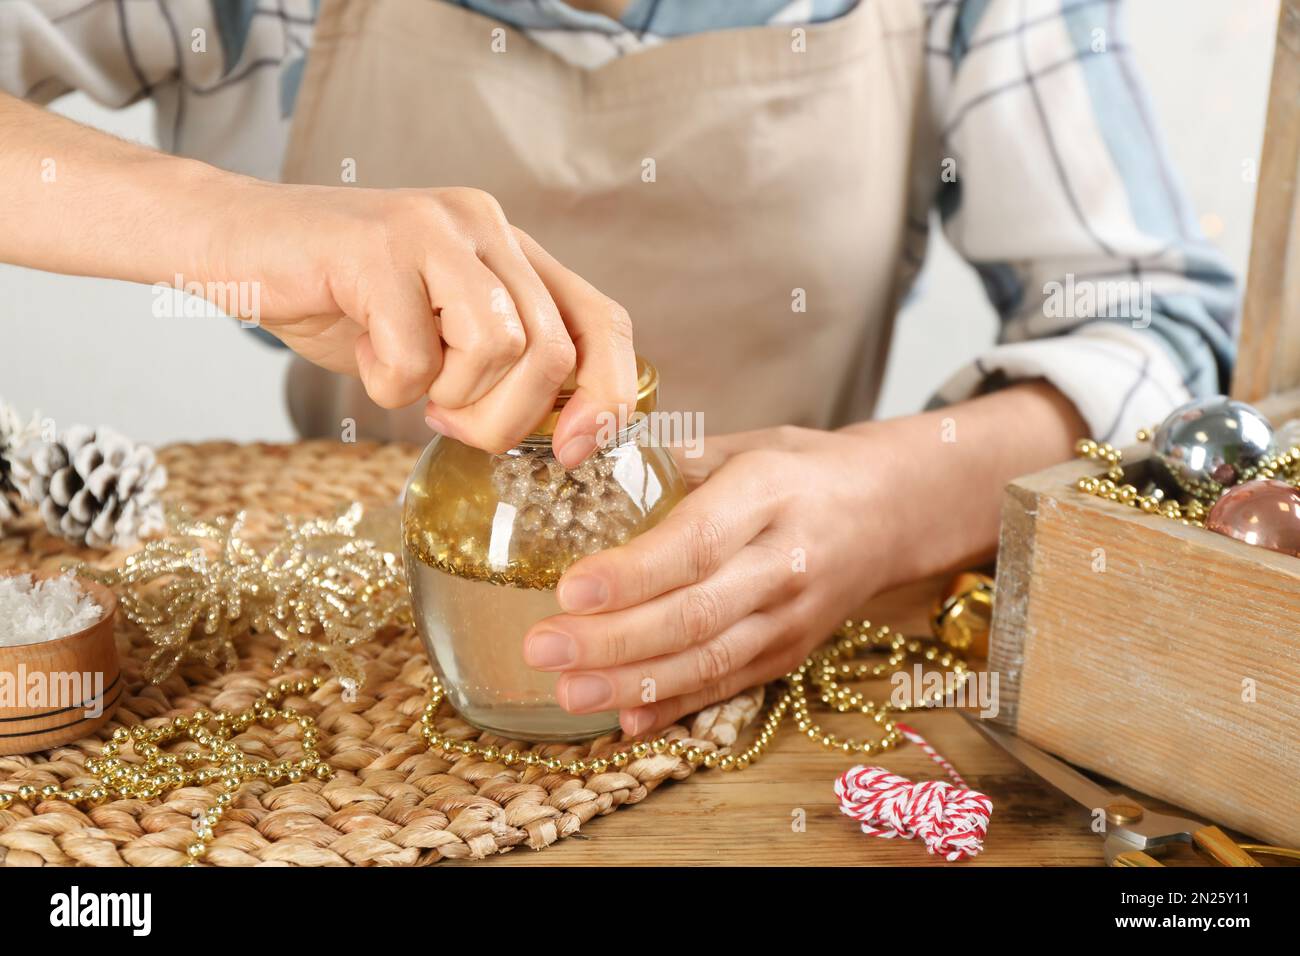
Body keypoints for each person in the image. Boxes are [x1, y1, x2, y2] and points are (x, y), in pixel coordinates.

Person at [0, 0, 1238, 736]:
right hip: (371, 660)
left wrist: (895, 497)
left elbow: (1166, 335)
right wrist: (225, 227)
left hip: (813, 660)